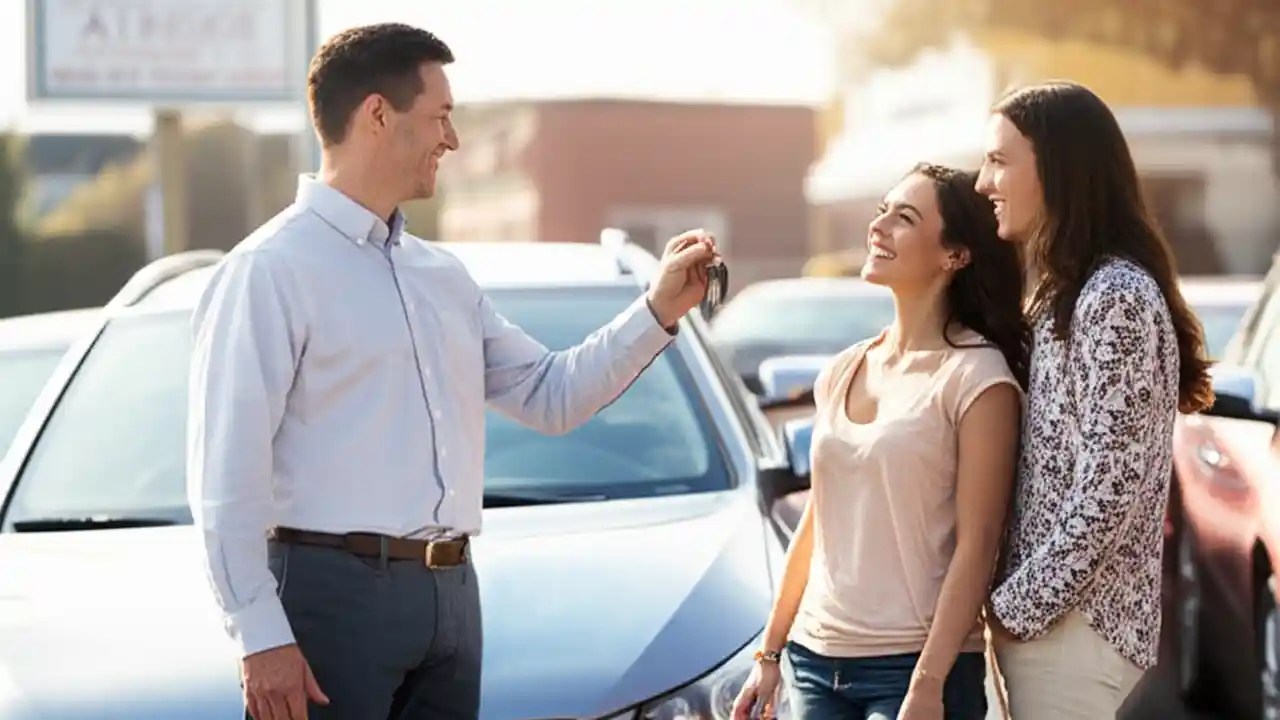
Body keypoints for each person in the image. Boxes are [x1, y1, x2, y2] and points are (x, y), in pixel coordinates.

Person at [186, 23, 720, 720]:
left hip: (452, 601)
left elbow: (550, 395)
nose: (452, 139)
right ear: (378, 114)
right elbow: (226, 475)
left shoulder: (443, 277)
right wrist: (258, 636)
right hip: (329, 602)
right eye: (440, 116)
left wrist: (657, 310)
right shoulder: (267, 272)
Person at [732, 162, 1028, 720]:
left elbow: (978, 544)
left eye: (905, 217)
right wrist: (770, 651)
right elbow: (818, 521)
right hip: (816, 660)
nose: (880, 226)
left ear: (955, 255)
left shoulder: (977, 378)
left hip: (913, 665)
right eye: (882, 212)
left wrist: (929, 683)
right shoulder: (844, 368)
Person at [977, 80, 1213, 719]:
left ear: (1056, 168)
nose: (982, 181)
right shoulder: (1066, 291)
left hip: (1072, 631)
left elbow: (1110, 489)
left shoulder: (1114, 298)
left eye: (999, 160)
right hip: (1051, 626)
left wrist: (1014, 608)